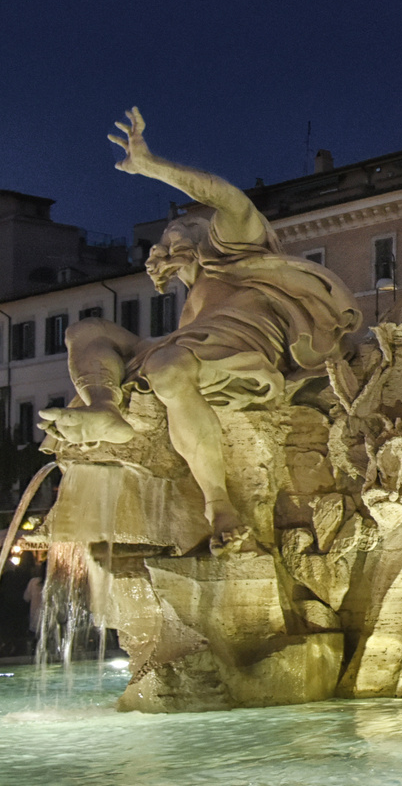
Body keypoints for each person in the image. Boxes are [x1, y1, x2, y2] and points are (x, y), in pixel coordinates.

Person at [39, 109, 362, 552]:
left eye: (174, 237)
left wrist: (150, 166)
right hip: (185, 348)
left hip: (240, 352)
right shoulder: (190, 304)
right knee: (88, 328)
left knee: (169, 366)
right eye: (162, 244)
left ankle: (218, 504)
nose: (163, 249)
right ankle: (104, 406)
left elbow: (226, 197)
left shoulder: (235, 250)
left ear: (202, 236)